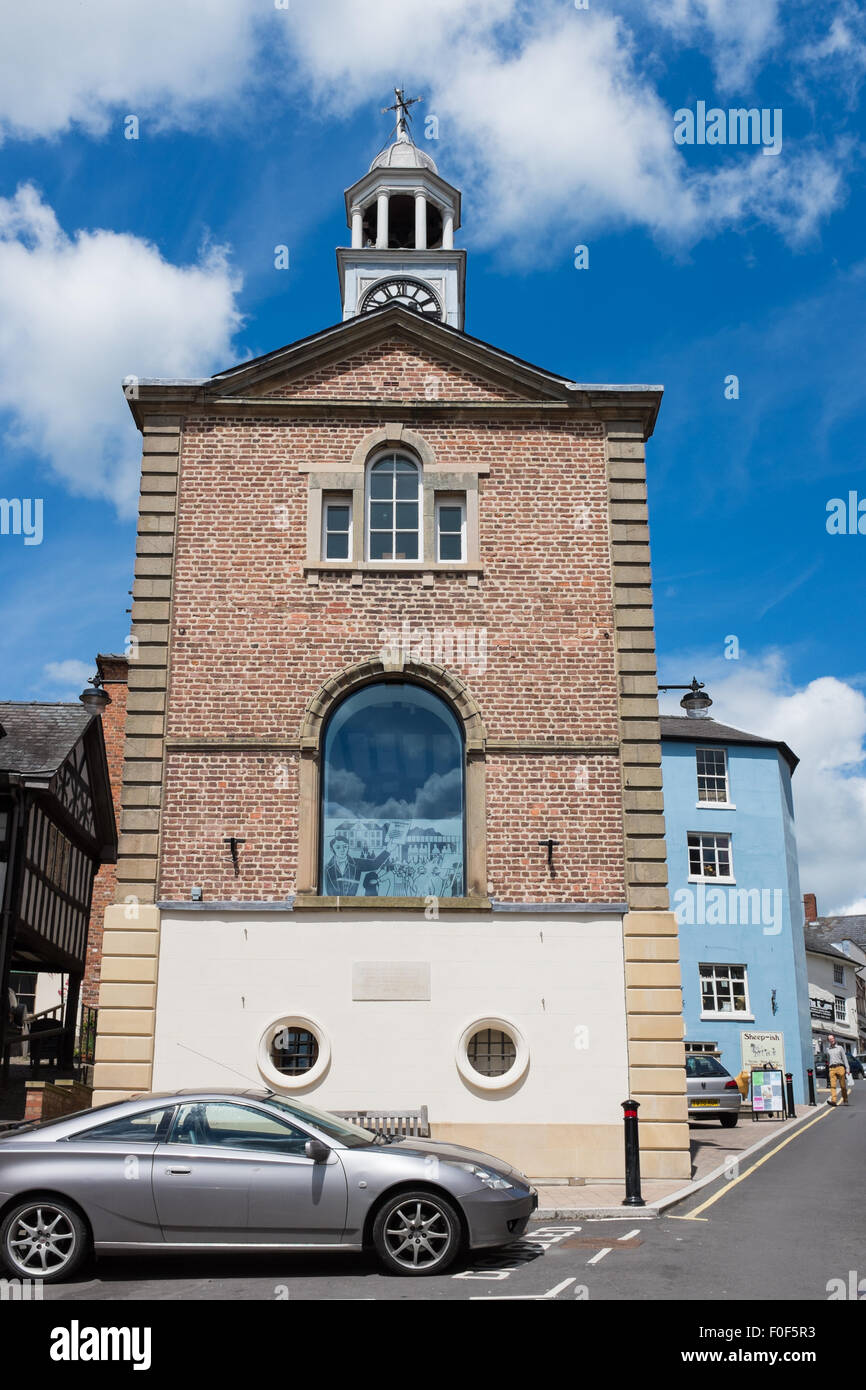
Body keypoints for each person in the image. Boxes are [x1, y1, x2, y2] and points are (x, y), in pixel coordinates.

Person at [825, 1033, 851, 1106]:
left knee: (843, 1085)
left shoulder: (840, 1048)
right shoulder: (827, 1050)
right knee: (833, 1086)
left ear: (834, 1039)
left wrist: (847, 1068)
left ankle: (845, 1100)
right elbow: (827, 1059)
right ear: (828, 1041)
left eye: (832, 1038)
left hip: (840, 1067)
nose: (831, 1040)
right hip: (832, 1069)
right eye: (830, 1039)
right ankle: (834, 1101)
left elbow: (844, 1058)